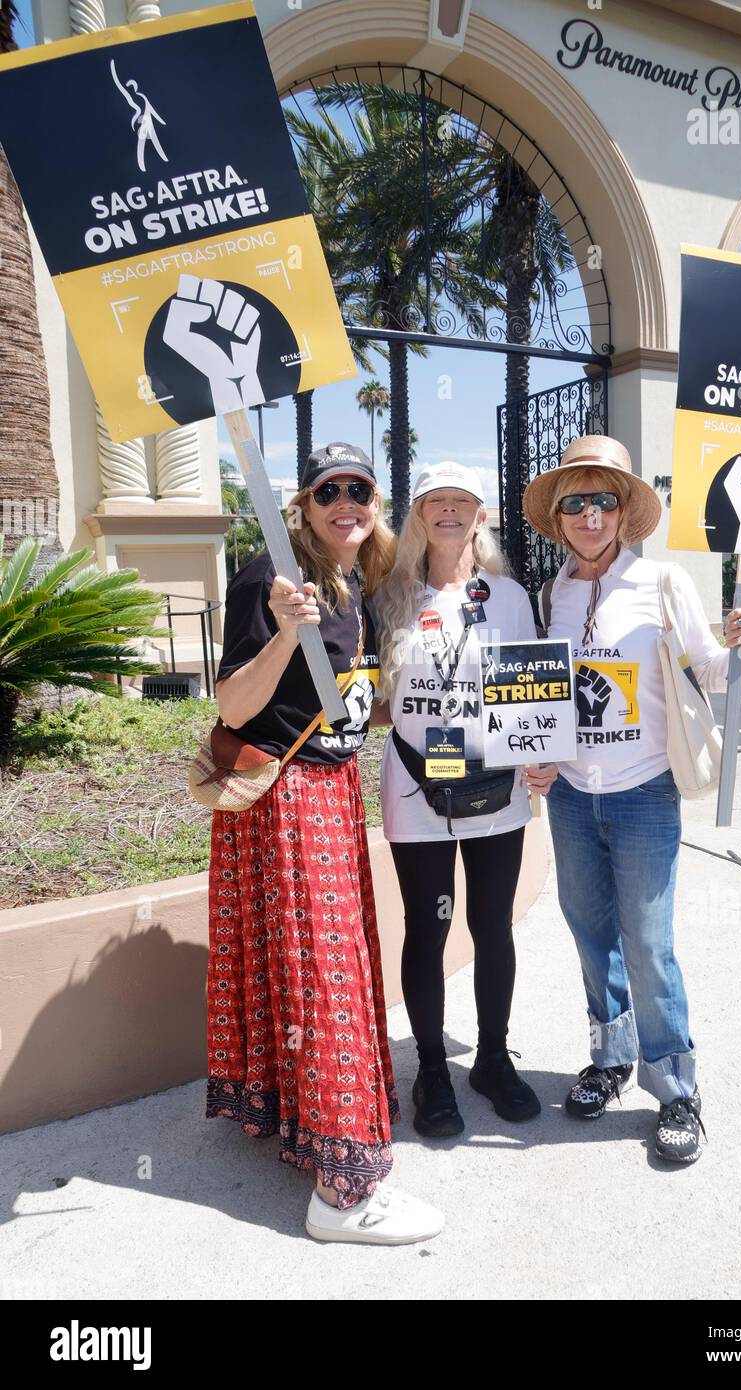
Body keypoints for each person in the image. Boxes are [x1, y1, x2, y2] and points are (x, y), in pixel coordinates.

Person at [206, 441, 443, 1244]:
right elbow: (233, 705)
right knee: (326, 972)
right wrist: (281, 632)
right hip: (287, 798)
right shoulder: (266, 578)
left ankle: (293, 1112)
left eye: (361, 489)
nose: (347, 501)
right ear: (303, 505)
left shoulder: (360, 586)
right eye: (327, 490)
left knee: (312, 964)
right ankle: (343, 1195)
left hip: (332, 788)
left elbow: (349, 700)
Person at [522, 435, 741, 1163]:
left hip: (643, 793)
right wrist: (537, 758)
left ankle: (674, 1089)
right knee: (590, 936)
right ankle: (609, 1059)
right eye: (574, 502)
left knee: (648, 943)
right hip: (573, 796)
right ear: (559, 516)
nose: (588, 515)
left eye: (602, 500)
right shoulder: (550, 593)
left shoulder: (663, 583)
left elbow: (712, 670)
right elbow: (540, 695)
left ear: (623, 512)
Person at [375, 462, 555, 1138]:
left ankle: (490, 1059)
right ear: (418, 514)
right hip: (417, 782)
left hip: (495, 784)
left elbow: (532, 687)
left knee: (491, 924)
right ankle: (431, 1070)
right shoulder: (386, 592)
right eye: (435, 501)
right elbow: (367, 693)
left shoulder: (507, 595)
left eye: (463, 501)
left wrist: (539, 754)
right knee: (428, 927)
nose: (449, 511)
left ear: (479, 515)